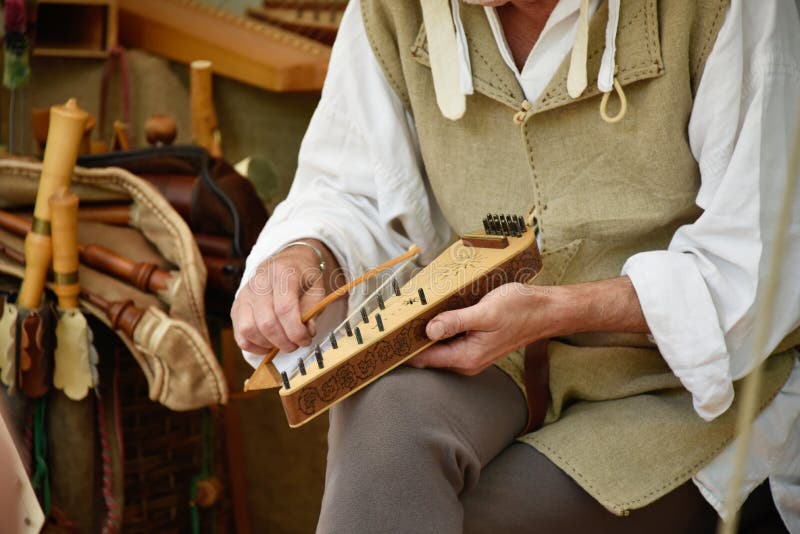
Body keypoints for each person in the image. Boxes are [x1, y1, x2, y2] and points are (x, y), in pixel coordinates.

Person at [231, 0, 800, 531]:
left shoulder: (732, 11)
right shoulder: (390, 11)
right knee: (386, 448)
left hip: (679, 384)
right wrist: (303, 254)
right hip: (489, 354)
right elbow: (353, 187)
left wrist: (557, 310)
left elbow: (762, 263)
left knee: (472, 520)